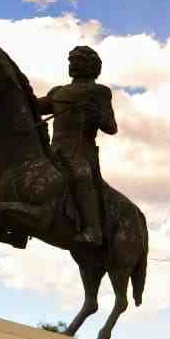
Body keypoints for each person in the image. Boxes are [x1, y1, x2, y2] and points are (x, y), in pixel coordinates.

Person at [37, 45, 116, 244]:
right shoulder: (58, 91)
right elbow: (34, 107)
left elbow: (111, 126)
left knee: (80, 174)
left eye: (78, 60)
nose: (72, 64)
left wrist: (96, 115)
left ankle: (93, 229)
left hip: (80, 152)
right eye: (71, 60)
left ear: (91, 66)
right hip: (53, 150)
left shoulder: (99, 92)